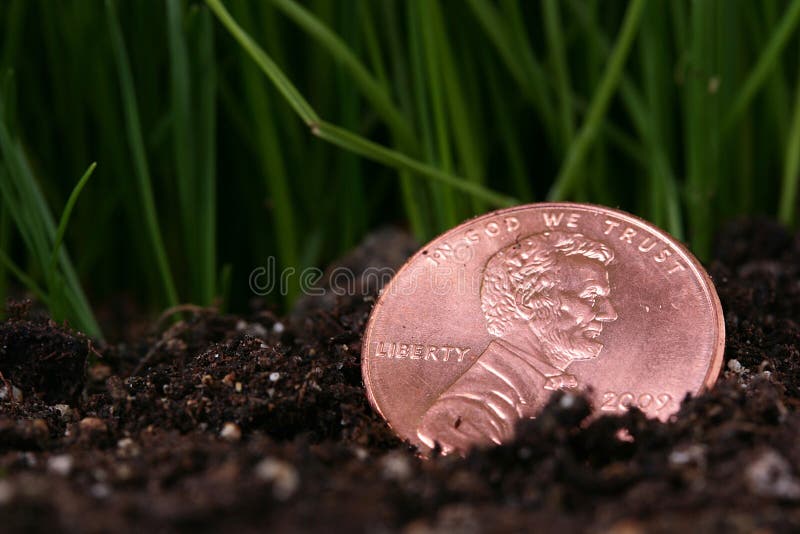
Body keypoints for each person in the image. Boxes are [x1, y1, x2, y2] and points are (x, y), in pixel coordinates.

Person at [417, 231, 618, 454]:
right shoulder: (463, 415)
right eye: (590, 297)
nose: (609, 314)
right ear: (527, 301)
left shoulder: (553, 390)